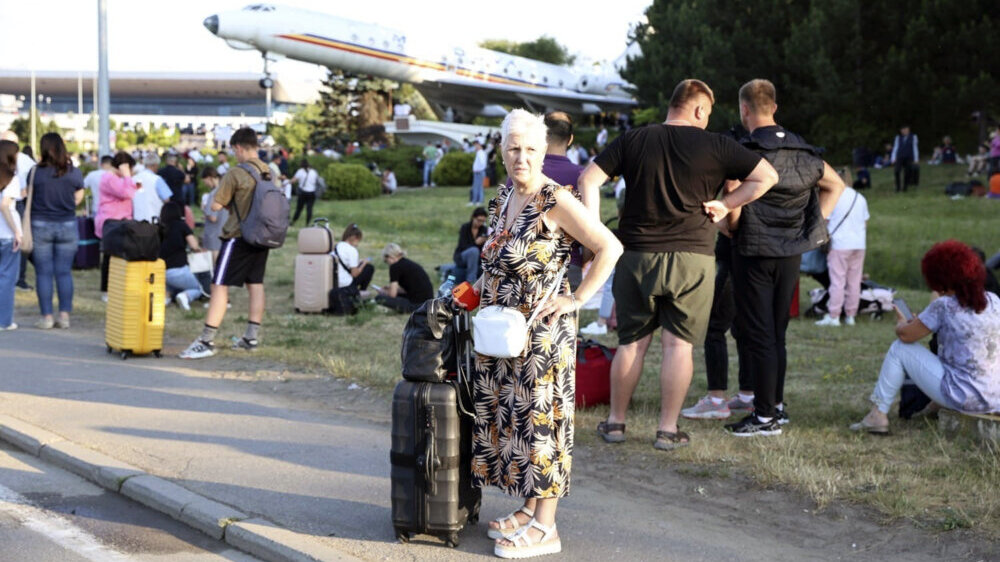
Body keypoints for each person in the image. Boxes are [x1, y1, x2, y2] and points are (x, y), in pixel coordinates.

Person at [577, 78, 778, 450]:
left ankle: (616, 423)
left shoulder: (634, 139)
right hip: (693, 258)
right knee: (678, 346)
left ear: (672, 105)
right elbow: (768, 176)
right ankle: (667, 430)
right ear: (700, 109)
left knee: (632, 344)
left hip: (635, 255)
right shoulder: (719, 144)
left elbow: (589, 178)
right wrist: (728, 205)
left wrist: (593, 236)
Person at [462, 109, 620, 558]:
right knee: (515, 423)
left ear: (543, 151)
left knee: (542, 425)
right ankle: (531, 510)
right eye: (513, 147)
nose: (521, 156)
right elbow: (495, 261)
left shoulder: (554, 199)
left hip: (541, 335)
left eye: (530, 148)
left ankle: (546, 528)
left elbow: (610, 246)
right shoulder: (502, 198)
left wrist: (578, 298)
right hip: (502, 334)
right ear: (501, 151)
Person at [721, 79, 845, 436]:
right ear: (774, 107)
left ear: (745, 110)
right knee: (777, 331)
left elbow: (732, 191)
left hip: (753, 250)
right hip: (791, 251)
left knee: (757, 332)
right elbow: (836, 185)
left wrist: (732, 225)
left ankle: (763, 418)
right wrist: (814, 226)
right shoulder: (805, 150)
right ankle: (775, 405)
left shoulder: (742, 148)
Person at [850, 241, 1000, 433]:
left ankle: (877, 415)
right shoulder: (993, 300)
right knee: (957, 359)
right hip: (995, 398)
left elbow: (906, 336)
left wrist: (901, 324)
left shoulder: (944, 305)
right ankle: (932, 408)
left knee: (900, 349)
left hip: (965, 398)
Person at [180, 128, 273, 359]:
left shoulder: (236, 173)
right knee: (256, 283)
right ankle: (251, 337)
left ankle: (206, 340)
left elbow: (215, 206)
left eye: (234, 150)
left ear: (239, 147)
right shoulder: (269, 171)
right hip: (261, 236)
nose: (235, 155)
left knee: (219, 285)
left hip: (237, 236)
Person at [29, 133, 84, 330]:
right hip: (68, 224)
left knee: (43, 273)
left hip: (40, 225)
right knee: (63, 272)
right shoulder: (74, 172)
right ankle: (64, 316)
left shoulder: (35, 172)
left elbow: (28, 195)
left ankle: (47, 317)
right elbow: (78, 197)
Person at [816, 185, 869, 327]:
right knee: (854, 281)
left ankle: (834, 316)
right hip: (859, 244)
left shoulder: (833, 196)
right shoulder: (860, 197)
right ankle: (851, 315)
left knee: (837, 281)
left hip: (840, 244)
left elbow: (824, 220)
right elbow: (865, 222)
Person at [95, 152, 138, 299]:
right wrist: (127, 176)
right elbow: (127, 193)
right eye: (129, 168)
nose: (131, 172)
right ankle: (106, 291)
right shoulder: (109, 178)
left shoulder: (116, 178)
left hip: (121, 221)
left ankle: (118, 287)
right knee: (109, 258)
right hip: (111, 222)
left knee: (120, 256)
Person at [1, 131, 37, 291]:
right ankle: (19, 279)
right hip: (12, 209)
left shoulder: (22, 161)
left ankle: (19, 278)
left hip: (14, 205)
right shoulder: (21, 164)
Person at [159, 201, 205, 311]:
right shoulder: (181, 226)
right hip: (178, 270)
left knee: (173, 285)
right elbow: (194, 246)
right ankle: (186, 296)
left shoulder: (158, 227)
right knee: (202, 287)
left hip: (160, 272)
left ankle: (167, 296)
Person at [0, 140, 22, 330]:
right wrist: (16, 230)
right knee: (7, 277)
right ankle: (4, 320)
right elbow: (5, 205)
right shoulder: (11, 178)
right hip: (6, 233)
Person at [375, 243, 433, 313]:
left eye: (386, 260)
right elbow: (410, 289)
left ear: (390, 257)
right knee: (398, 295)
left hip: (417, 305)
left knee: (379, 298)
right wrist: (391, 289)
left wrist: (384, 292)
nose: (387, 263)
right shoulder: (408, 263)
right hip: (428, 303)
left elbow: (392, 295)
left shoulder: (395, 267)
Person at [333, 224, 375, 298]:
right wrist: (364, 264)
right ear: (355, 238)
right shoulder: (352, 250)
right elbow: (354, 274)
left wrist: (358, 262)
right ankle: (361, 292)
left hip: (335, 281)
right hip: (345, 284)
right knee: (369, 268)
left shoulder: (337, 246)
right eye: (359, 240)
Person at [131, 153, 172, 222]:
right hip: (154, 218)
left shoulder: (136, 178)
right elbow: (167, 199)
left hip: (138, 218)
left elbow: (141, 192)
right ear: (155, 165)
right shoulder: (157, 179)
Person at [452, 207, 488, 283]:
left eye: (483, 221)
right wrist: (476, 243)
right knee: (474, 251)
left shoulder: (484, 230)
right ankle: (471, 280)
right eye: (479, 220)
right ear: (473, 217)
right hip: (462, 257)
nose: (480, 223)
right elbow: (462, 246)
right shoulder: (465, 228)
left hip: (477, 259)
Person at [199, 168, 227, 264]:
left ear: (210, 178)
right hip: (223, 232)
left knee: (215, 266)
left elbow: (213, 217)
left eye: (205, 181)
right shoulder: (225, 190)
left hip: (214, 236)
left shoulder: (213, 194)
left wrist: (204, 211)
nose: (205, 184)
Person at [891, 125, 919, 192]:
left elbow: (915, 148)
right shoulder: (898, 138)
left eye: (905, 129)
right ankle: (898, 187)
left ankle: (905, 187)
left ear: (908, 130)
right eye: (902, 129)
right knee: (897, 171)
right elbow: (895, 148)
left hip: (909, 157)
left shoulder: (913, 137)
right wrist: (893, 158)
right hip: (900, 157)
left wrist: (916, 159)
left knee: (907, 172)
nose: (904, 131)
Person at [290, 159, 319, 225]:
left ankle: (293, 221)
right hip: (312, 192)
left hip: (303, 193)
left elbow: (293, 181)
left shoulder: (300, 171)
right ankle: (307, 223)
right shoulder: (314, 171)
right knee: (309, 209)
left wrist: (287, 181)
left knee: (299, 208)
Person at [469, 140, 491, 206]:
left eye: (475, 145)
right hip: (477, 172)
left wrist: (478, 170)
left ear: (479, 145)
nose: (474, 147)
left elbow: (483, 164)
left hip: (479, 172)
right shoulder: (479, 152)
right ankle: (474, 201)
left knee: (480, 187)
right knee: (475, 187)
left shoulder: (481, 153)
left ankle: (479, 201)